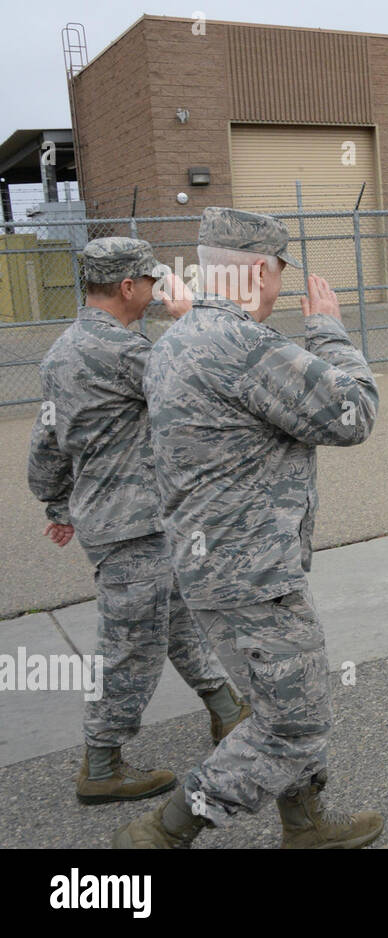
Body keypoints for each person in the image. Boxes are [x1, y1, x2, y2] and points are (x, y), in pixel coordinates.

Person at [113, 208, 382, 849]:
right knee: (294, 723)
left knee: (281, 701)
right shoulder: (244, 346)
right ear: (260, 271)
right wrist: (329, 332)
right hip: (253, 577)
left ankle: (306, 821)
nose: (281, 286)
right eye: (279, 272)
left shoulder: (177, 340)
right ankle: (163, 833)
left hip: (213, 567)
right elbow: (354, 412)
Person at [27, 237, 251, 807]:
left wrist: (56, 503)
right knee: (129, 647)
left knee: (172, 619)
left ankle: (226, 709)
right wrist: (192, 319)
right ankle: (102, 764)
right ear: (127, 286)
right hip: (133, 526)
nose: (155, 290)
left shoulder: (62, 351)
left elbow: (48, 440)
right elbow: (199, 380)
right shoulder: (124, 352)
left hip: (117, 521)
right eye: (150, 281)